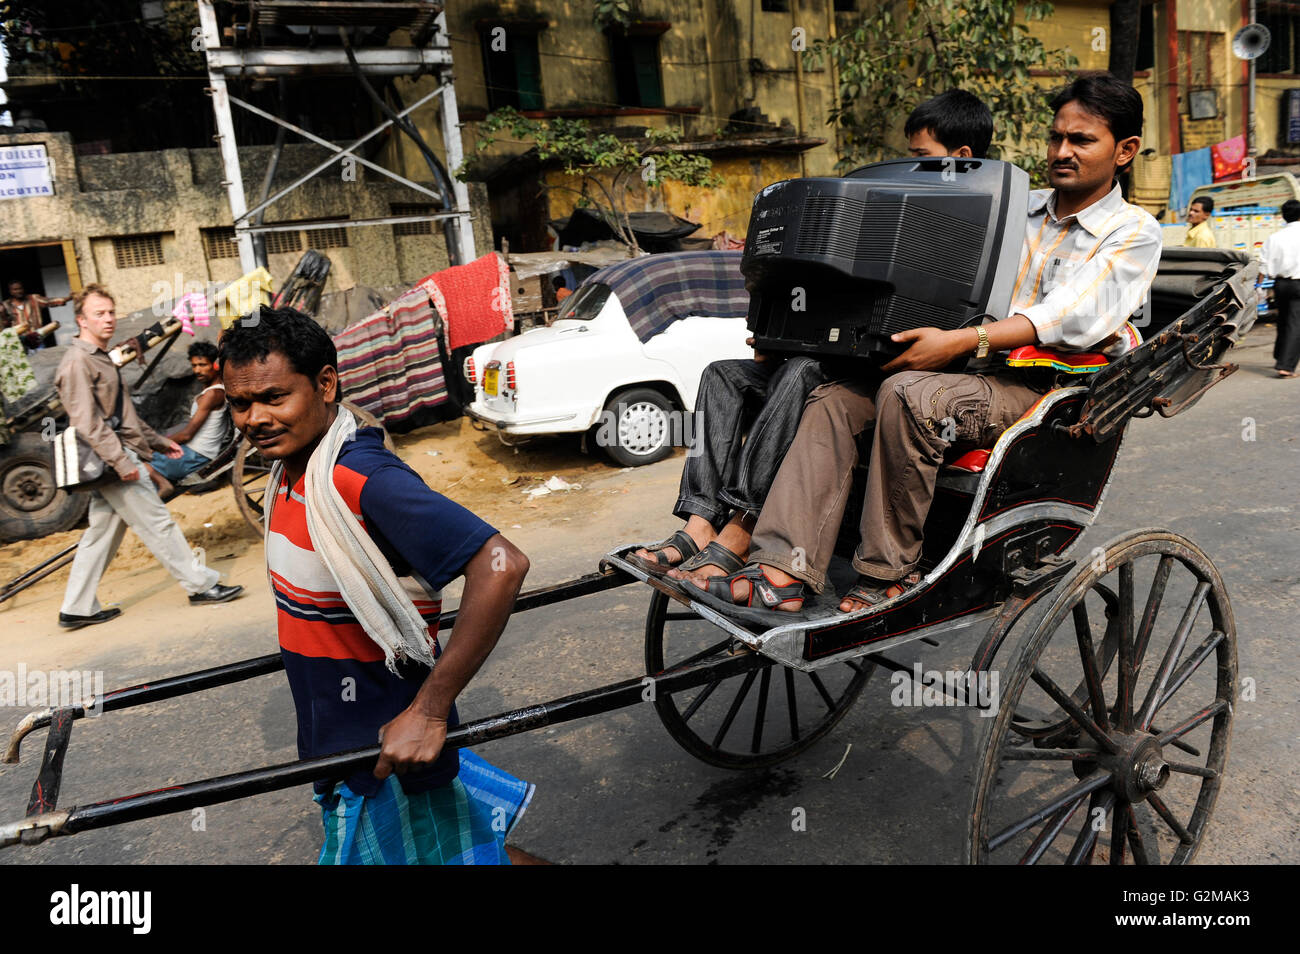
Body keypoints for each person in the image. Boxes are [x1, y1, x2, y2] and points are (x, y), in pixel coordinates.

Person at [694, 73, 1162, 615]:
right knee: (833, 401)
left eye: (1081, 141)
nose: (1061, 151)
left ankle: (887, 571)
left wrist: (967, 338)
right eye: (1056, 137)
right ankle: (783, 567)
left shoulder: (1134, 231)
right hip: (958, 365)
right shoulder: (1013, 210)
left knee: (908, 393)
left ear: (1124, 150)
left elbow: (1068, 315)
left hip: (1033, 387)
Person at [628, 89, 996, 584]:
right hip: (842, 358)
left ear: (962, 158)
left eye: (921, 157)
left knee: (802, 374)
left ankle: (743, 524)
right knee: (723, 375)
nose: (911, 168)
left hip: (891, 377)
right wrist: (779, 331)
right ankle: (698, 523)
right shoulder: (893, 214)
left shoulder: (963, 230)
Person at [219, 307, 539, 865]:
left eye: (274, 397)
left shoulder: (358, 477)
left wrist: (430, 712)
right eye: (240, 403)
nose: (255, 418)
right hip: (340, 749)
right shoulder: (289, 470)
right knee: (472, 857)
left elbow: (501, 565)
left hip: (387, 753)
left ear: (325, 383)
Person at [56, 284, 243, 630]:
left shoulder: (98, 357)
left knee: (100, 534)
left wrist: (158, 443)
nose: (109, 319)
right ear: (82, 320)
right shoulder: (77, 362)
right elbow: (89, 423)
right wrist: (123, 463)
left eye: (111, 312)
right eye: (99, 313)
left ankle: (77, 607)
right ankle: (200, 586)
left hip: (114, 457)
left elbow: (124, 415)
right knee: (158, 523)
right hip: (111, 462)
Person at [148, 341, 229, 482]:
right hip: (192, 452)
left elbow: (186, 435)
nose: (197, 370)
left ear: (215, 365)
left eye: (203, 365)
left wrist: (157, 445)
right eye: (194, 365)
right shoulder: (210, 393)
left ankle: (163, 486)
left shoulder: (212, 394)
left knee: (140, 463)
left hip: (195, 456)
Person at [1260, 198, 1300, 378]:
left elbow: (1263, 264)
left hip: (1281, 284)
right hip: (1298, 283)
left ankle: (1279, 354)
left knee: (1284, 319)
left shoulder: (1274, 237)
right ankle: (1285, 365)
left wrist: (1259, 287)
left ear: (1284, 216)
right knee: (1295, 323)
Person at [2, 280, 67, 350]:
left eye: (20, 288)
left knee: (39, 359)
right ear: (10, 291)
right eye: (15, 289)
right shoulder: (6, 305)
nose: (19, 291)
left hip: (36, 339)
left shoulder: (34, 299)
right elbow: (5, 324)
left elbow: (50, 301)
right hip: (19, 341)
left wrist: (69, 298)